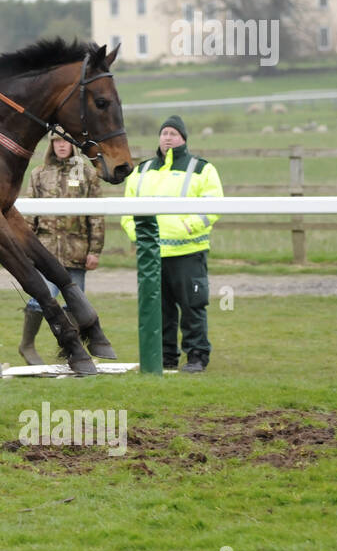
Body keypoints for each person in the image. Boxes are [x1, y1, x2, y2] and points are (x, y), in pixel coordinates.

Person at [120, 115, 224, 373]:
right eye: (164, 133)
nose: (167, 137)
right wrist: (138, 235)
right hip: (153, 254)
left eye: (173, 133)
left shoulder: (201, 168)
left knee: (193, 307)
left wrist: (189, 226)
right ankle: (164, 358)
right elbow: (127, 210)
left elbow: (213, 205)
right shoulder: (142, 170)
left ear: (183, 139)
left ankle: (197, 357)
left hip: (188, 251)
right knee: (159, 310)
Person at [18, 136, 104, 364]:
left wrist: (95, 250)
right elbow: (28, 216)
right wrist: (25, 250)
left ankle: (69, 352)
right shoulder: (39, 174)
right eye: (56, 142)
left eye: (65, 142)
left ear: (73, 145)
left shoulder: (87, 174)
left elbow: (96, 215)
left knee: (74, 304)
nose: (61, 146)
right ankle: (27, 345)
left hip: (76, 250)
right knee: (39, 300)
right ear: (51, 145)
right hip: (45, 252)